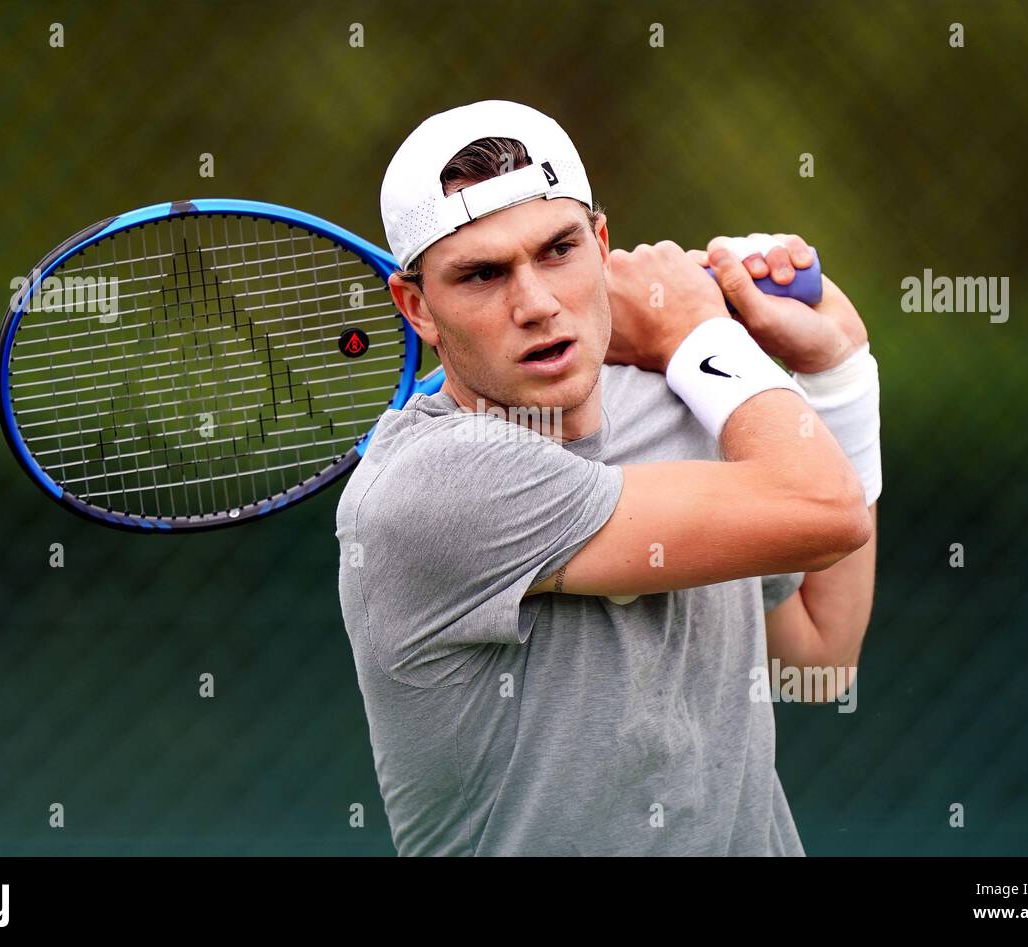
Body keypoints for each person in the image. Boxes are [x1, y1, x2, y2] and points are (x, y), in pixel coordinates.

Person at [335, 99, 880, 856]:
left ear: (602, 243)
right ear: (417, 307)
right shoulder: (431, 487)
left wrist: (837, 372)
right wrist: (700, 332)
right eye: (483, 274)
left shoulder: (689, 402)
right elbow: (825, 507)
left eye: (557, 250)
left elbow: (819, 659)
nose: (535, 302)